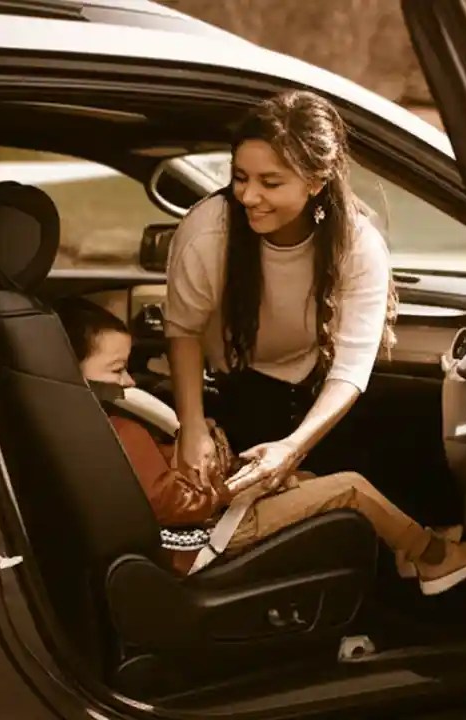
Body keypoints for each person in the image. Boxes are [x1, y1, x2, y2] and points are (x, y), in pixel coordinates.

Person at [56, 297, 466, 595]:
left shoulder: (94, 423)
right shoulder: (118, 432)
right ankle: (433, 558)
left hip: (200, 523)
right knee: (349, 486)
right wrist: (235, 487)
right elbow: (174, 505)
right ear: (70, 372)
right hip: (203, 539)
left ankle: (406, 547)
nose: (129, 381)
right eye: (116, 370)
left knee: (308, 479)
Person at [163, 89, 394, 494]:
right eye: (240, 177)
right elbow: (183, 329)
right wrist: (193, 426)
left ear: (316, 181)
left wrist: (292, 447)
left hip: (320, 397)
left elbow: (351, 369)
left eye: (270, 182)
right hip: (235, 387)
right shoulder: (207, 233)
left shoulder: (358, 245)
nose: (249, 196)